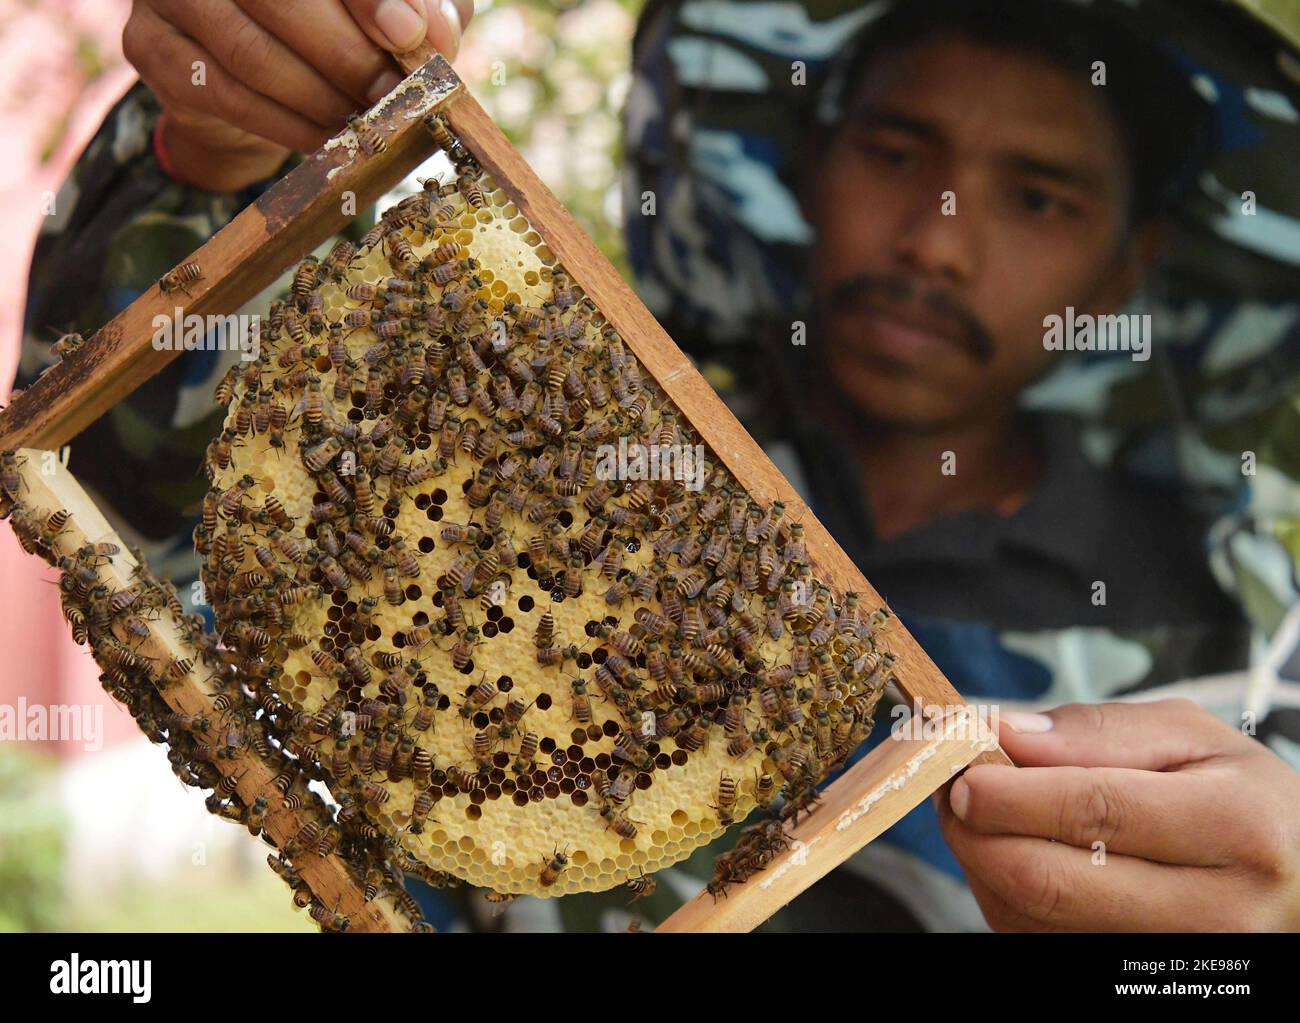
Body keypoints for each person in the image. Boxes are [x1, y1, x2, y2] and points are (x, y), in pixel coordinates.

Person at [16, 0, 1300, 931]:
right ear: (811, 168)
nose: (936, 243)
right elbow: (142, 479)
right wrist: (211, 149)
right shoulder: (566, 427)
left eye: (1037, 197)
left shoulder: (1246, 630)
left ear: (1122, 270)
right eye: (897, 154)